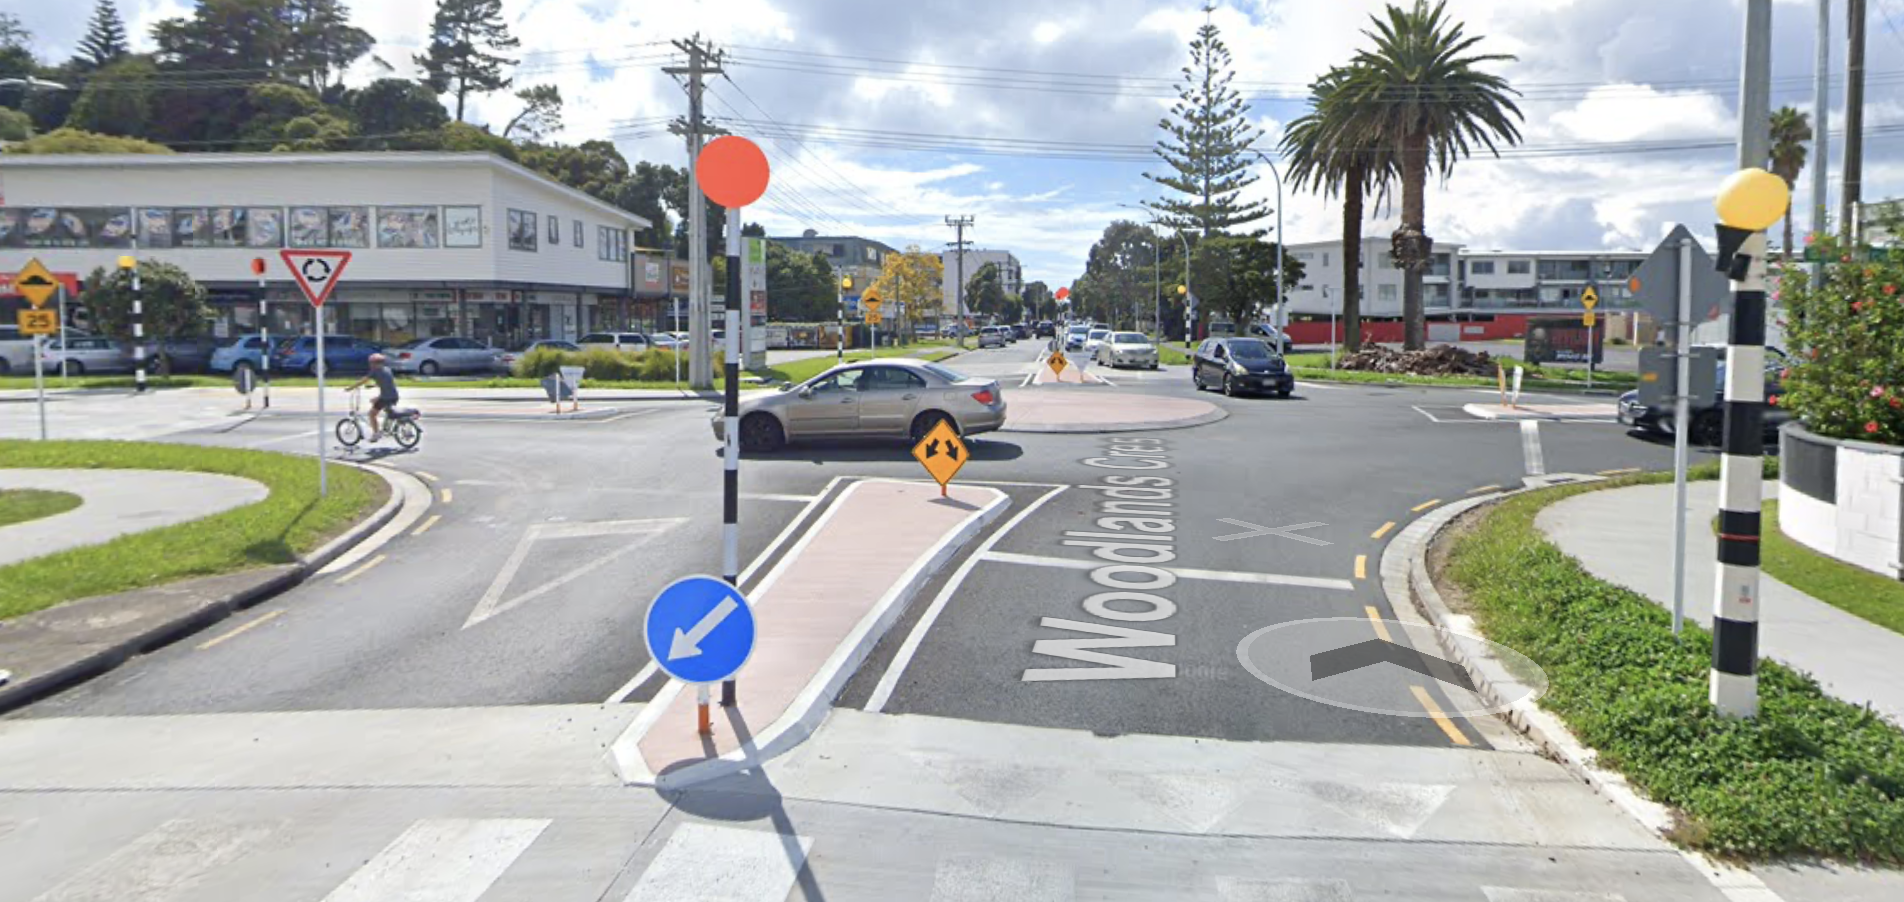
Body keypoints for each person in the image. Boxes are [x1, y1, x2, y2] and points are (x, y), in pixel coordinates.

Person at [348, 353, 400, 441]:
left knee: (371, 414)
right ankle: (386, 428)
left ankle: (376, 434)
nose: (370, 365)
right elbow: (386, 381)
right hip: (394, 396)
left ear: (375, 363)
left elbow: (363, 380)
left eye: (371, 363)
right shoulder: (387, 369)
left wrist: (351, 387)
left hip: (385, 397)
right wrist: (374, 385)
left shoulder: (374, 371)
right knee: (377, 402)